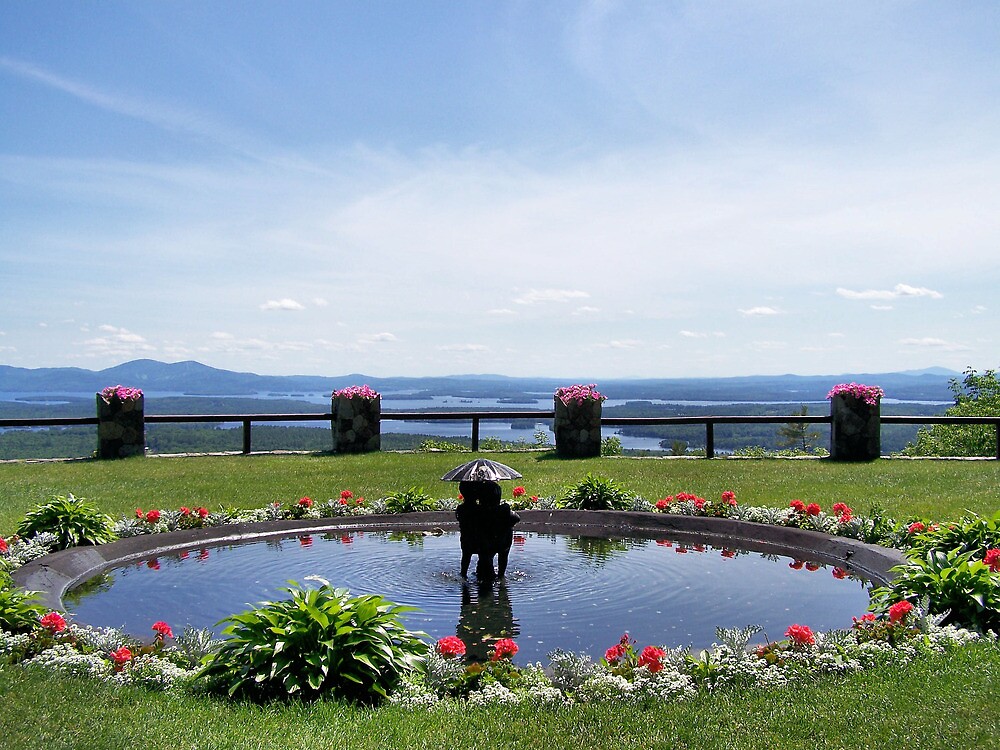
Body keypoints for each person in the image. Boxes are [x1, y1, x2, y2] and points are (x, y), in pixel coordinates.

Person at [477, 481, 521, 578]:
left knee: (485, 557)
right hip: (504, 542)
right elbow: (517, 518)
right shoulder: (504, 510)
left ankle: (486, 573)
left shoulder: (480, 512)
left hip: (487, 543)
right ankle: (501, 575)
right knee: (503, 558)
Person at [455, 481, 482, 579]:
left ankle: (463, 574)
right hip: (479, 537)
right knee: (482, 556)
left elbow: (459, 518)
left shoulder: (461, 508)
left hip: (466, 537)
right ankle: (480, 572)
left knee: (466, 557)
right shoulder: (479, 509)